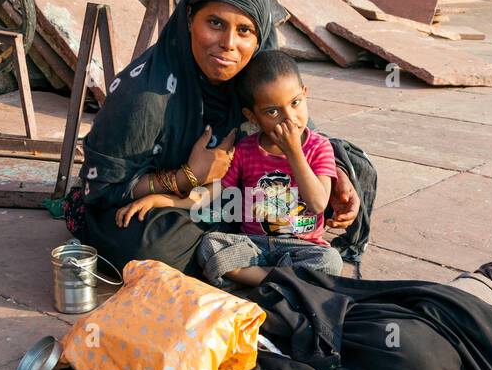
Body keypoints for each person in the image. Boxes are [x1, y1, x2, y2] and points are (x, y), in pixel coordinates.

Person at [68, 0, 364, 276]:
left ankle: (233, 259)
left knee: (356, 167)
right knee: (148, 245)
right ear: (190, 17)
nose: (228, 45)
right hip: (172, 202)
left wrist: (335, 174)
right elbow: (102, 188)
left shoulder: (256, 74)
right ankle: (245, 262)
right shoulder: (144, 94)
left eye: (244, 30)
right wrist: (185, 176)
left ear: (259, 34)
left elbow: (299, 130)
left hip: (239, 199)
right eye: (216, 23)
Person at [122, 51, 345, 287]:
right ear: (253, 116)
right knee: (210, 246)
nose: (289, 118)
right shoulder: (246, 149)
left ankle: (266, 282)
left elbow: (319, 203)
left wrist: (294, 152)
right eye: (272, 112)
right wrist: (164, 200)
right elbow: (213, 193)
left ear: (305, 94)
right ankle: (287, 284)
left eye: (295, 103)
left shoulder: (319, 147)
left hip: (303, 247)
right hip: (254, 245)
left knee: (330, 261)